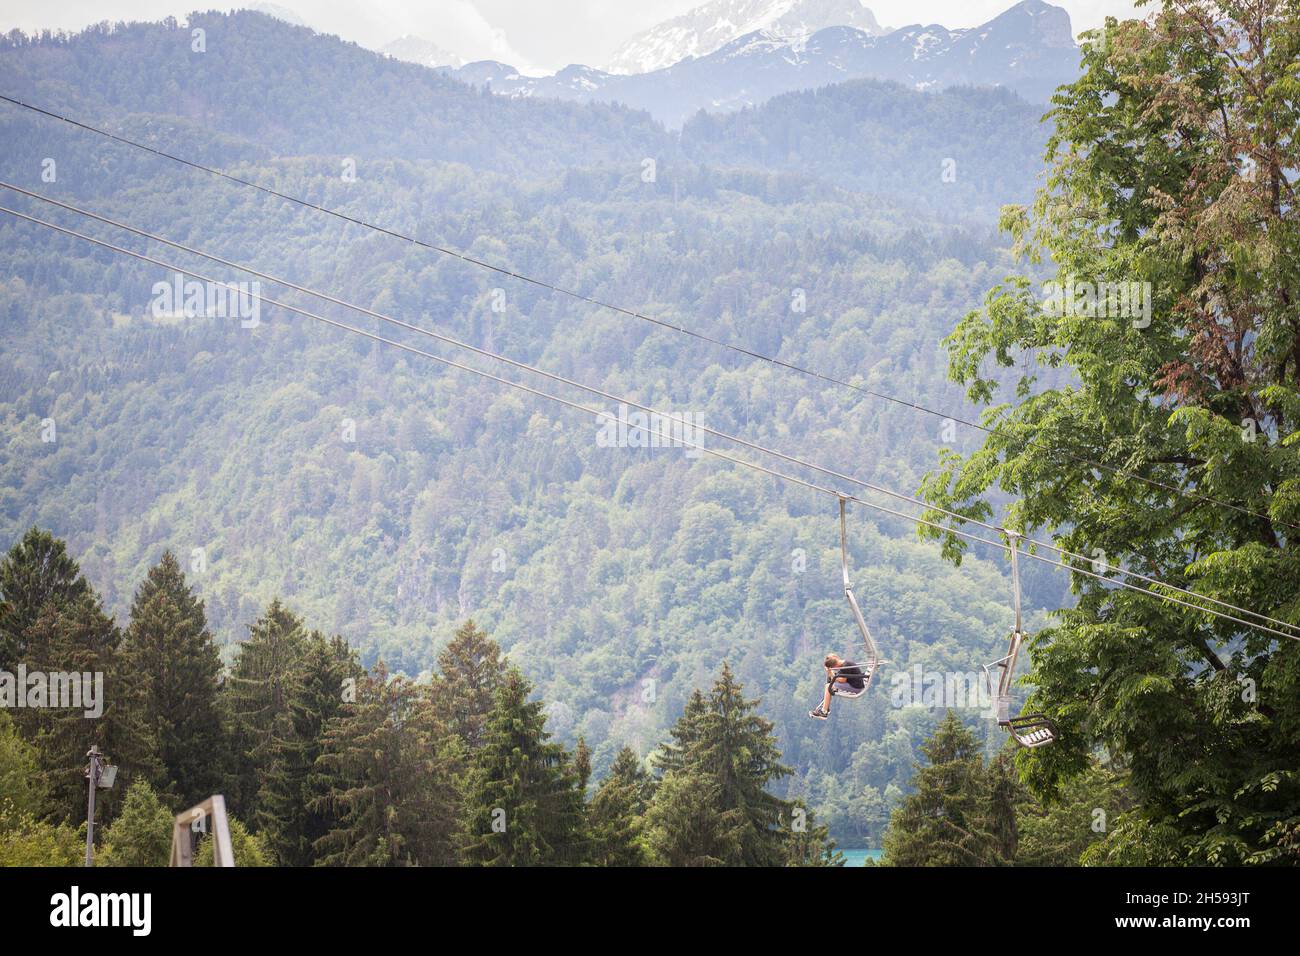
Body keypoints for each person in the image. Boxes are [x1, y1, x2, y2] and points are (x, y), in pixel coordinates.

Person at [808, 653, 865, 720]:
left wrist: (831, 673)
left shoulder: (846, 666)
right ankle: (825, 707)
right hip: (853, 683)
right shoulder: (843, 664)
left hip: (855, 687)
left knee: (828, 686)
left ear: (835, 666)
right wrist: (830, 673)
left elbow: (842, 680)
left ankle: (824, 712)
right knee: (829, 682)